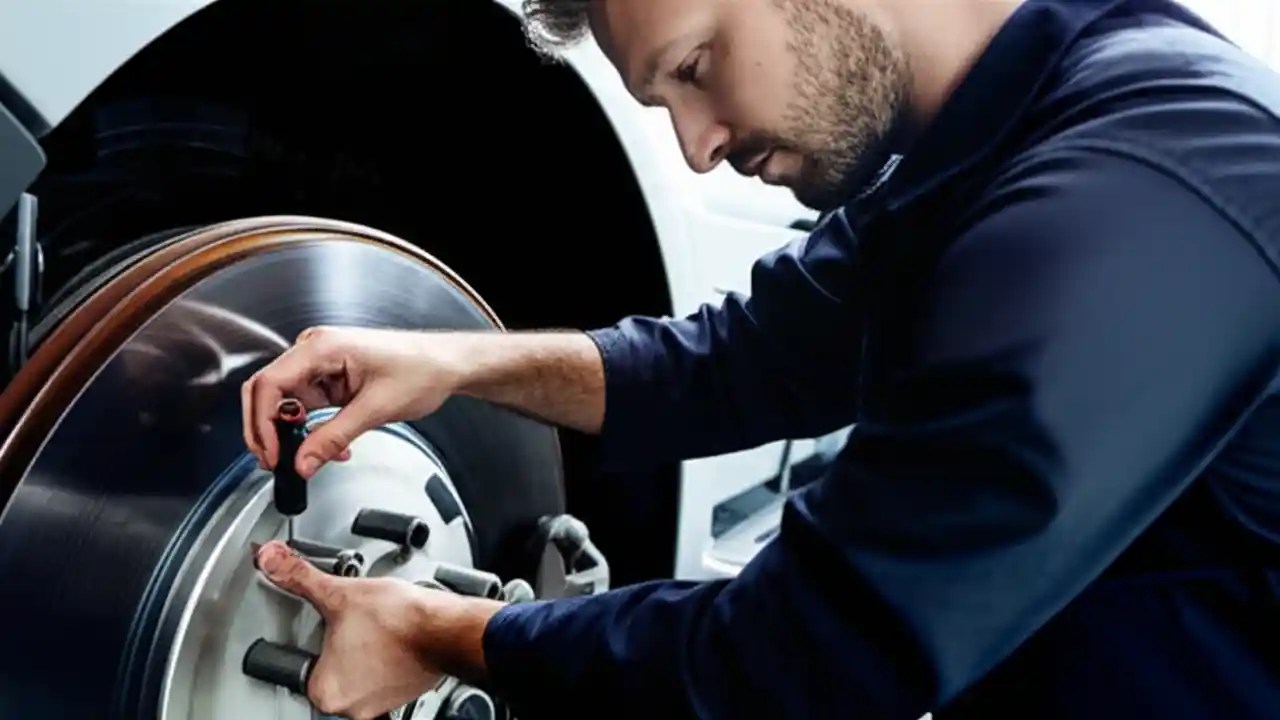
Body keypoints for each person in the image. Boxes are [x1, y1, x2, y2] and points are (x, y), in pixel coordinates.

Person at [241, 0, 1280, 717]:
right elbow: (734, 363)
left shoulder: (1134, 182)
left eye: (694, 69)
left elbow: (805, 660)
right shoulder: (986, 148)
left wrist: (443, 632)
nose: (696, 146)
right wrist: (454, 365)